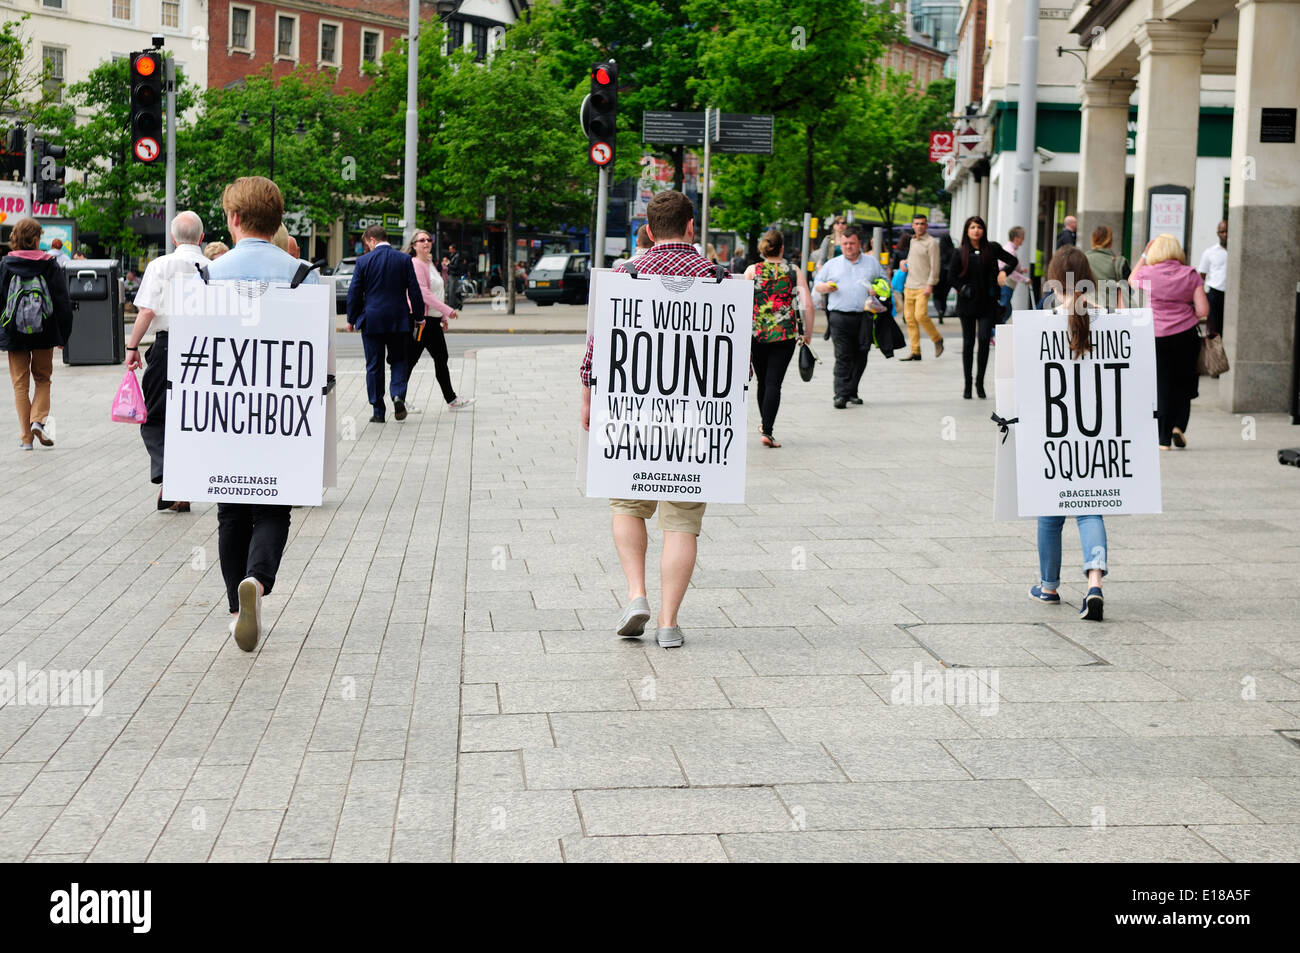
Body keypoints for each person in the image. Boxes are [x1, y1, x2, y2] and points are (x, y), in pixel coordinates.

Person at [578, 190, 716, 650]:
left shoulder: (625, 274)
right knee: (682, 521)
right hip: (695, 419)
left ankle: (636, 594)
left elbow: (599, 349)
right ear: (691, 227)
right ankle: (669, 623)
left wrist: (587, 400)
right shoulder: (718, 279)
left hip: (632, 413)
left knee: (627, 506)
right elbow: (736, 363)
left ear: (650, 230)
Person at [203, 176, 321, 652]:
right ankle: (259, 579)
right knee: (274, 506)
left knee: (231, 511)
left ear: (233, 219)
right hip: (282, 412)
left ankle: (236, 607)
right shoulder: (302, 275)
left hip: (227, 414)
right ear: (277, 223)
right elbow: (321, 355)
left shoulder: (207, 276)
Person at [1028, 246, 1108, 621]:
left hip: (1055, 430)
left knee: (1050, 511)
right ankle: (1094, 583)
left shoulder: (1041, 321)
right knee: (1090, 510)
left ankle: (1049, 586)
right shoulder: (1109, 320)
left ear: (1054, 278)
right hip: (1097, 431)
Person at [125, 210, 208, 512]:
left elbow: (147, 312)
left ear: (173, 238)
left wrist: (132, 346)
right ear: (201, 237)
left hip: (167, 347)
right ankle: (180, 488)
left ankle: (169, 478)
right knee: (192, 420)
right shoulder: (215, 267)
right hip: (205, 350)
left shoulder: (161, 266)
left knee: (156, 415)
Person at [1129, 234, 1209, 451]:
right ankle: (1178, 426)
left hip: (1156, 336)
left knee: (1162, 384)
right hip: (1185, 335)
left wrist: (1144, 255)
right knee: (1183, 383)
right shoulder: (1190, 274)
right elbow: (1203, 310)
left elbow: (1131, 280)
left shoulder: (1147, 272)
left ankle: (1162, 438)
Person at [0, 217, 73, 452]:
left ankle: (26, 439)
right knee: (43, 379)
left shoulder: (4, 264)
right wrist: (64, 335)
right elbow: (62, 302)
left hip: (14, 333)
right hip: (45, 330)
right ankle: (38, 421)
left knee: (20, 384)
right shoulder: (49, 263)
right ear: (36, 239)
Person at [744, 228, 814, 447]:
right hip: (784, 334)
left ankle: (764, 424)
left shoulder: (752, 270)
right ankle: (767, 430)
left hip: (756, 333)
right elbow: (808, 305)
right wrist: (808, 333)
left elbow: (742, 302)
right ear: (782, 247)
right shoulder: (793, 271)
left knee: (763, 381)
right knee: (775, 382)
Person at [347, 224, 423, 424]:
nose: (368, 248)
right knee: (398, 361)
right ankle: (398, 396)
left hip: (372, 321)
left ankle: (378, 411)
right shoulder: (404, 259)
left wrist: (351, 319)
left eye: (367, 244)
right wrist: (419, 316)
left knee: (374, 365)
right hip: (399, 320)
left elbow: (354, 292)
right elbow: (414, 290)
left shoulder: (363, 262)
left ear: (372, 239)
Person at [812, 225, 887, 408]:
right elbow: (817, 284)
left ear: (859, 243)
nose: (848, 247)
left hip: (864, 316)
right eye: (845, 243)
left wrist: (877, 288)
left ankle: (852, 390)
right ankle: (840, 394)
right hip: (839, 316)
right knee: (843, 355)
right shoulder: (832, 264)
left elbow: (885, 282)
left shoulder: (871, 263)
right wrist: (825, 288)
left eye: (851, 243)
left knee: (861, 354)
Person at [946, 216, 1018, 400]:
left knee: (985, 341)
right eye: (972, 227)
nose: (976, 230)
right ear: (967, 231)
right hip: (967, 304)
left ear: (983, 230)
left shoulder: (992, 248)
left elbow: (1012, 261)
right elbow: (951, 277)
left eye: (979, 227)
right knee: (968, 343)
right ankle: (968, 384)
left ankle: (980, 382)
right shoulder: (960, 252)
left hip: (988, 304)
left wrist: (1004, 271)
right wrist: (962, 288)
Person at [405, 228, 474, 411]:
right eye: (422, 240)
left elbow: (437, 291)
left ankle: (451, 400)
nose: (427, 242)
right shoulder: (415, 263)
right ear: (414, 245)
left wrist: (442, 316)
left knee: (441, 358)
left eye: (429, 239)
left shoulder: (428, 263)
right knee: (411, 360)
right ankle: (399, 398)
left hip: (433, 321)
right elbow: (423, 294)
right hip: (421, 320)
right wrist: (448, 310)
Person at [899, 214, 943, 361]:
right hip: (909, 285)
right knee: (910, 320)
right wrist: (904, 263)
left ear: (927, 225)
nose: (919, 226)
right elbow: (913, 260)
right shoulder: (912, 240)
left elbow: (935, 266)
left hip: (923, 286)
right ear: (913, 225)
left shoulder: (931, 243)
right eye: (917, 224)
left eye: (922, 224)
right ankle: (915, 351)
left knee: (920, 315)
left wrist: (930, 284)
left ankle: (937, 339)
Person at [1084, 225, 1129, 311]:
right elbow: (1128, 291)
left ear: (1093, 239)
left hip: (1087, 310)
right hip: (1112, 312)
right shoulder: (1119, 262)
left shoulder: (1082, 259)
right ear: (1110, 241)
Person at [1197, 220, 1228, 339]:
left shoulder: (1238, 251)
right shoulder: (1210, 252)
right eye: (1222, 231)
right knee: (1215, 330)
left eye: (1227, 231)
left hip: (1233, 297)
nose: (1225, 234)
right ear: (1218, 233)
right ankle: (1216, 356)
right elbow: (1201, 277)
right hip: (1216, 294)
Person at [1000, 226, 1030, 321]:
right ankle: (994, 331)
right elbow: (1009, 271)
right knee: (1005, 310)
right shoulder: (1010, 251)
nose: (1023, 240)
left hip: (1007, 284)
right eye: (1022, 238)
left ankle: (995, 330)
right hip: (1006, 284)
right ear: (1016, 238)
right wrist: (1025, 279)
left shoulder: (1009, 249)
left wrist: (1020, 270)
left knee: (1006, 310)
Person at [932, 230, 955, 321]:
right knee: (944, 296)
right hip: (948, 277)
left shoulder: (937, 250)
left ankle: (939, 310)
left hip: (938, 275)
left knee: (936, 296)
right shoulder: (953, 251)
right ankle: (942, 310)